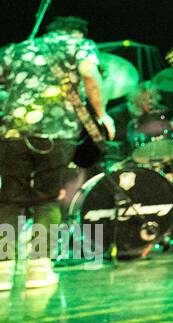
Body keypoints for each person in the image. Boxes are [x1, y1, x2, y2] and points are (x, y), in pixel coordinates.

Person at [0, 16, 115, 290]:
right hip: (56, 134)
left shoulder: (16, 49)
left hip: (12, 134)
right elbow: (90, 74)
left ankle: (2, 271)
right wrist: (102, 115)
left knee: (9, 200)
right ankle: (39, 270)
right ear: (77, 33)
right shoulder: (79, 45)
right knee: (46, 199)